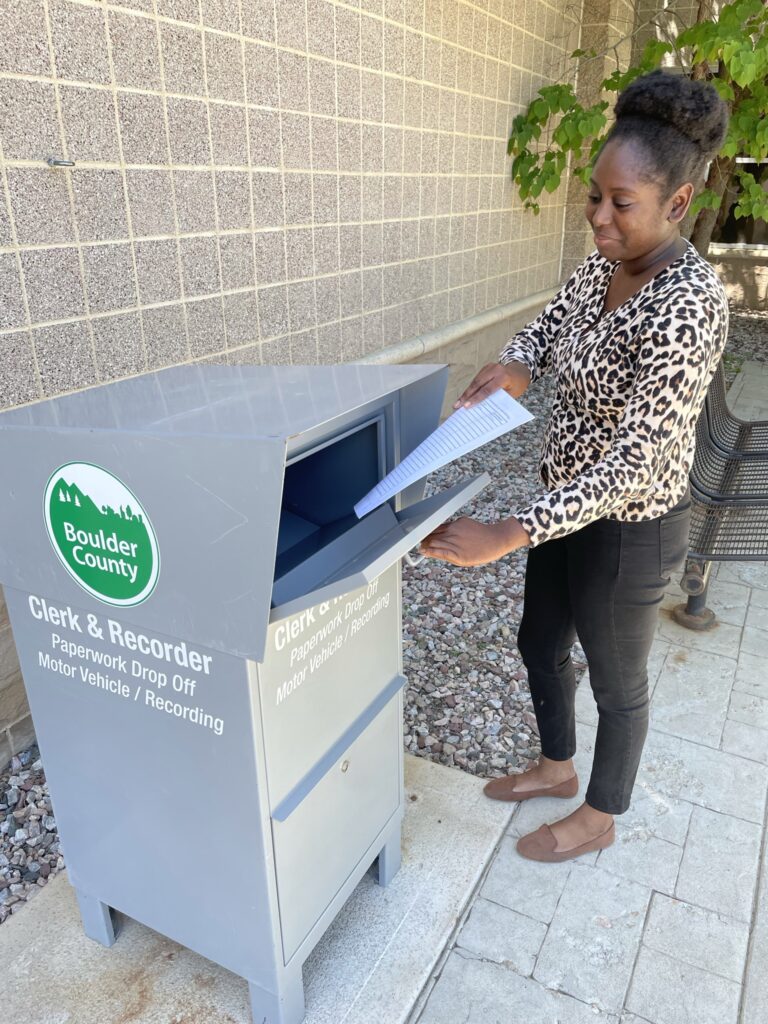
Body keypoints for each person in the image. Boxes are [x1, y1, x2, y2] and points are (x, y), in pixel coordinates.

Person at [419, 69, 730, 864]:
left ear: (678, 204)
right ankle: (557, 767)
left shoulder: (688, 306)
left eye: (619, 203)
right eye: (595, 196)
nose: (597, 216)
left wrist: (509, 530)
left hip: (631, 530)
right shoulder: (606, 266)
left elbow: (633, 463)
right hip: (565, 505)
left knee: (617, 682)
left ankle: (601, 812)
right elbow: (549, 325)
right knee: (538, 642)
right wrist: (517, 364)